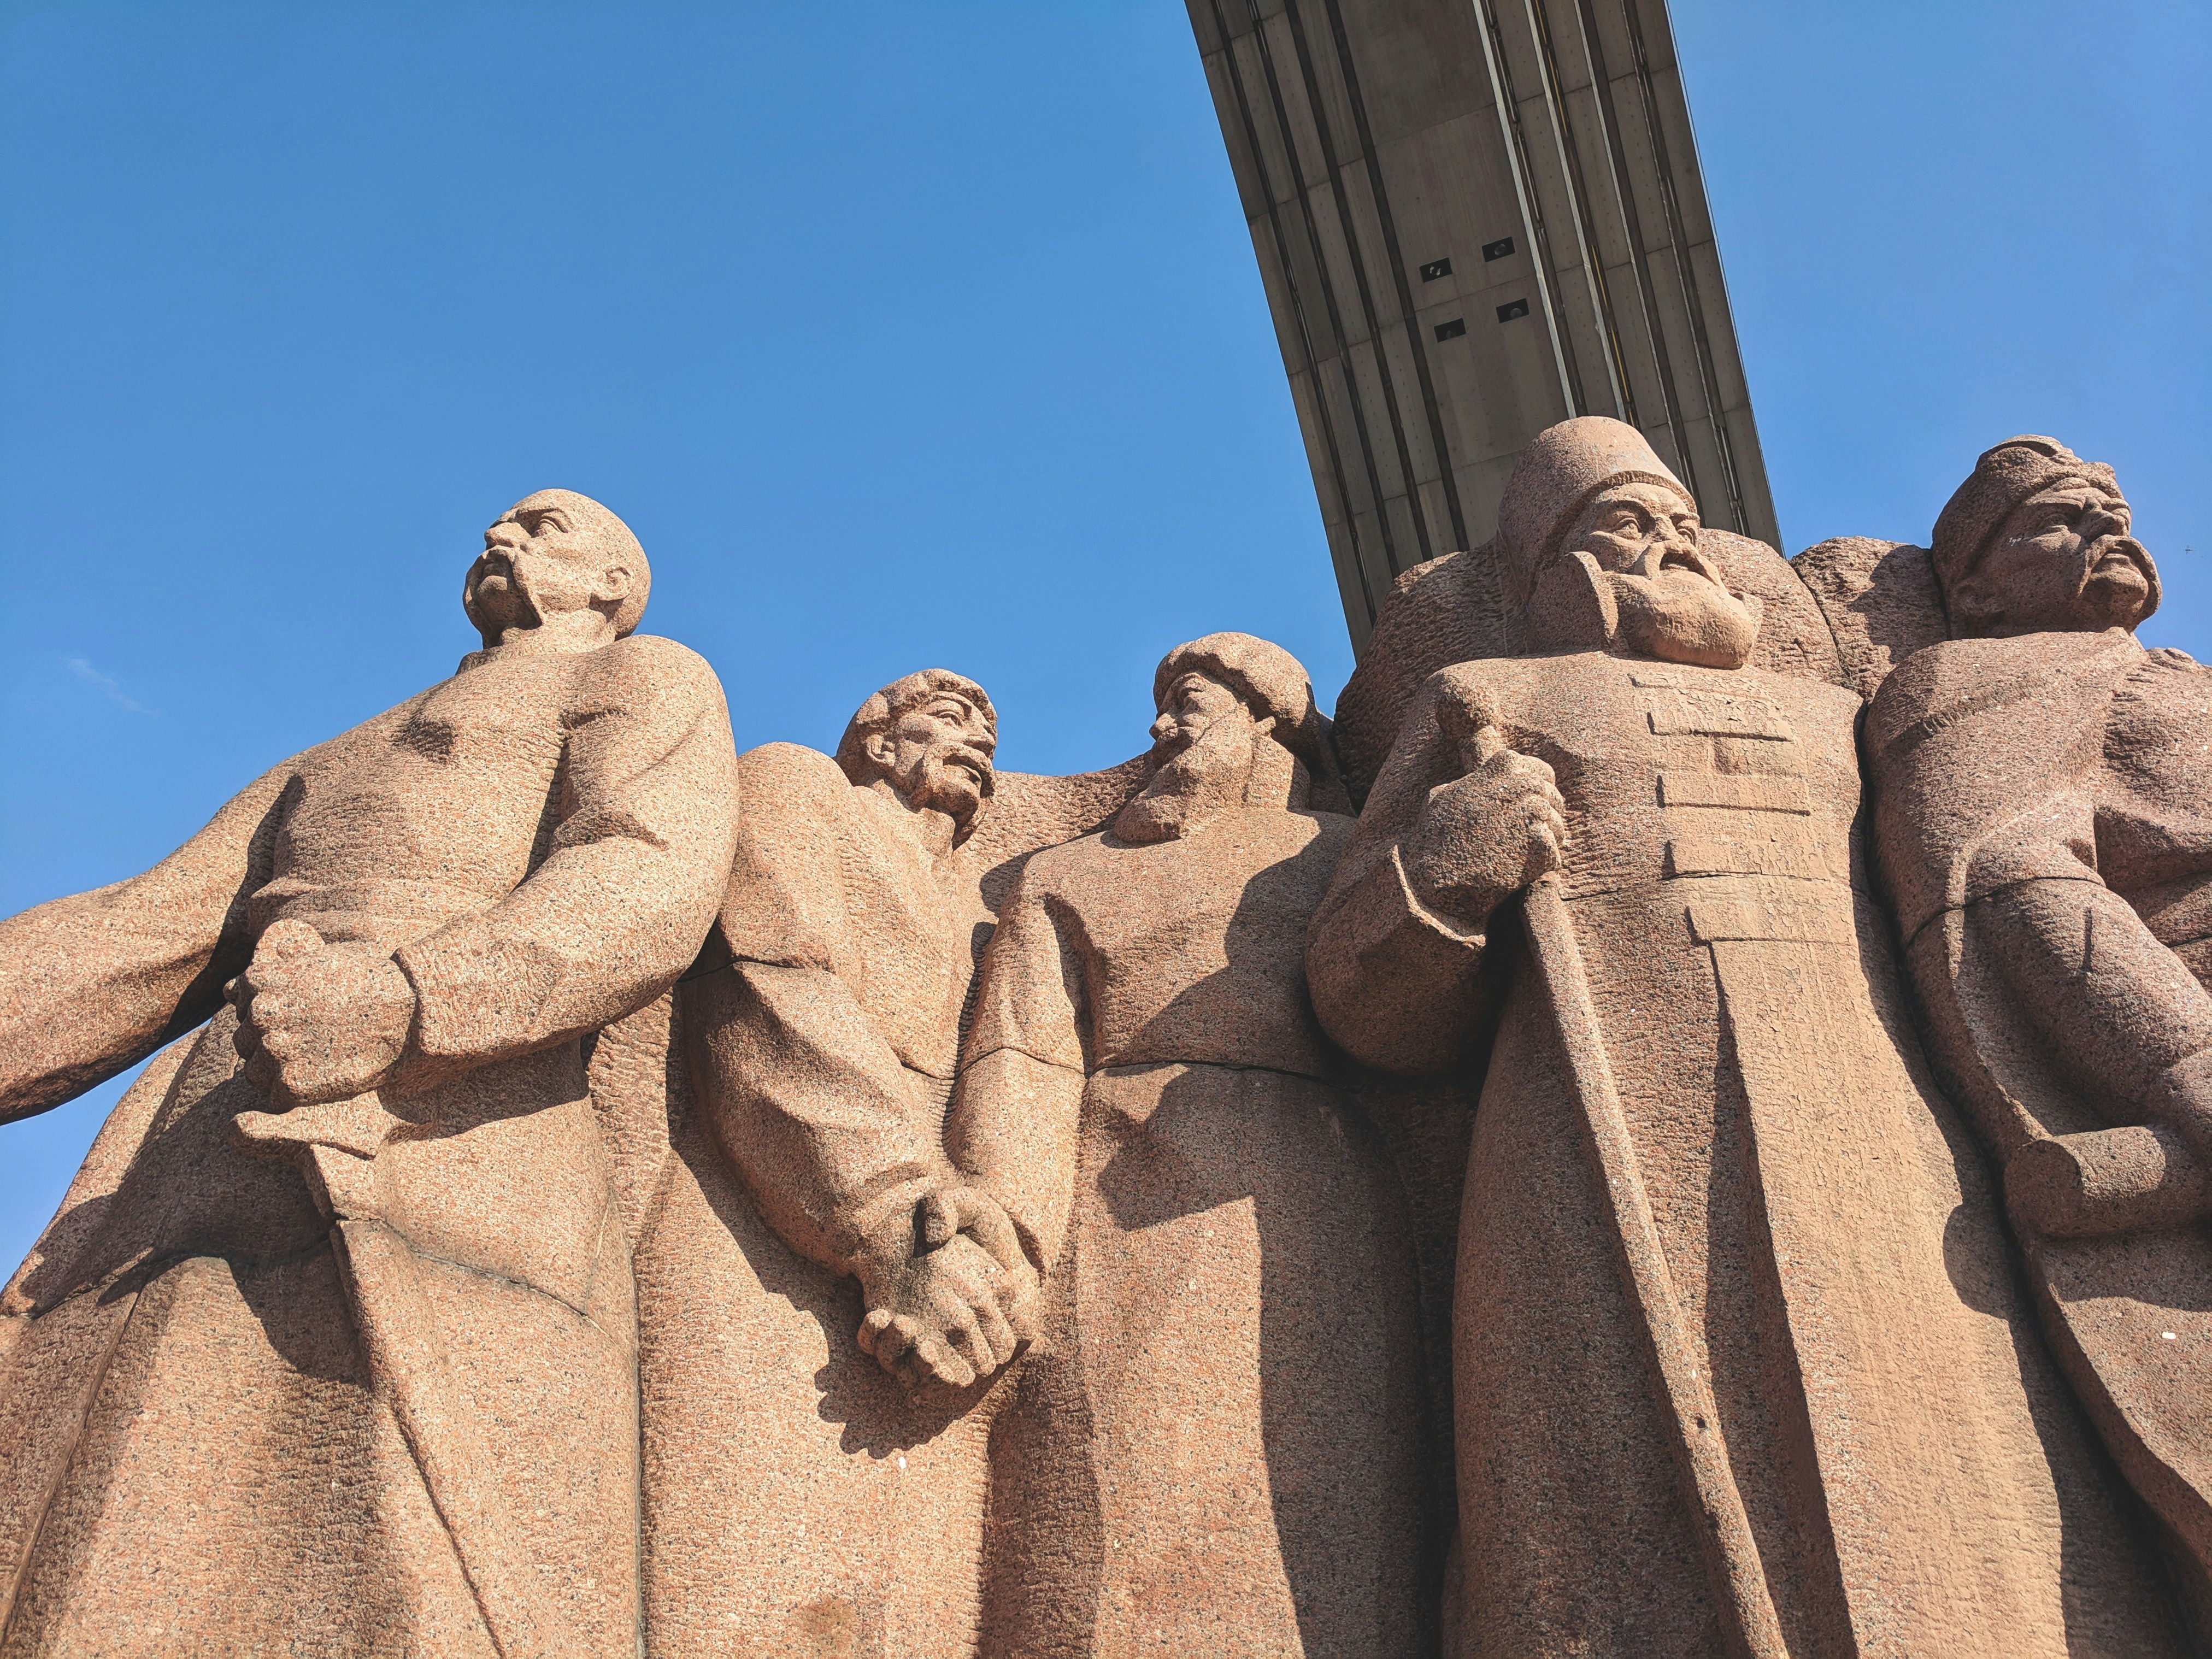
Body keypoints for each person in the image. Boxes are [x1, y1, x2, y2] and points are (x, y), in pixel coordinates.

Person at [1305, 417, 2186, 1655]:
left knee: (1942, 1468)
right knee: (1611, 1485)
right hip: (1585, 1106)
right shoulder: (1480, 705)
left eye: (1680, 523)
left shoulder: (1838, 723)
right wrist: (1443, 875)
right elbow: (1362, 1008)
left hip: (1870, 1119)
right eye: (1625, 525)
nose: (1668, 543)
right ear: (1550, 570)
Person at [0, 491, 739, 1655]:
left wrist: (410, 1001)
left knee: (427, 1543)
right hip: (218, 1121)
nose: (501, 533)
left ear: (613, 586)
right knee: (119, 1512)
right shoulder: (333, 755)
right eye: (499, 523)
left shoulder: (643, 679)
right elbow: (145, 934)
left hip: (457, 1119)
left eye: (544, 526)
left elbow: (647, 879)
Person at [949, 634, 1429, 1659]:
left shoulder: (1339, 852)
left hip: (1318, 1203)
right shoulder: (1063, 876)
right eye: (1160, 707)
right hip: (1119, 1201)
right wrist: (1005, 1244)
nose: (1162, 727)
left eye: (1191, 704)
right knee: (1111, 1481)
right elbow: (1018, 1064)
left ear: (1268, 717)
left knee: (1342, 1510)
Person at [1869, 435, 2212, 1613]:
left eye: (2115, 511)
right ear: (1970, 590)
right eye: (2059, 519)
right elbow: (2012, 877)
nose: (2106, 529)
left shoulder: (2177, 673)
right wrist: (2188, 1066)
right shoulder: (1977, 682)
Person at [642, 669, 1040, 1657]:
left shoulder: (974, 910)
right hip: (780, 1210)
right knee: (749, 1575)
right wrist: (897, 1218)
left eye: (988, 736)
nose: (977, 745)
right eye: (948, 721)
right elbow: (766, 987)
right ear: (875, 739)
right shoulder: (797, 786)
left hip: (931, 1236)